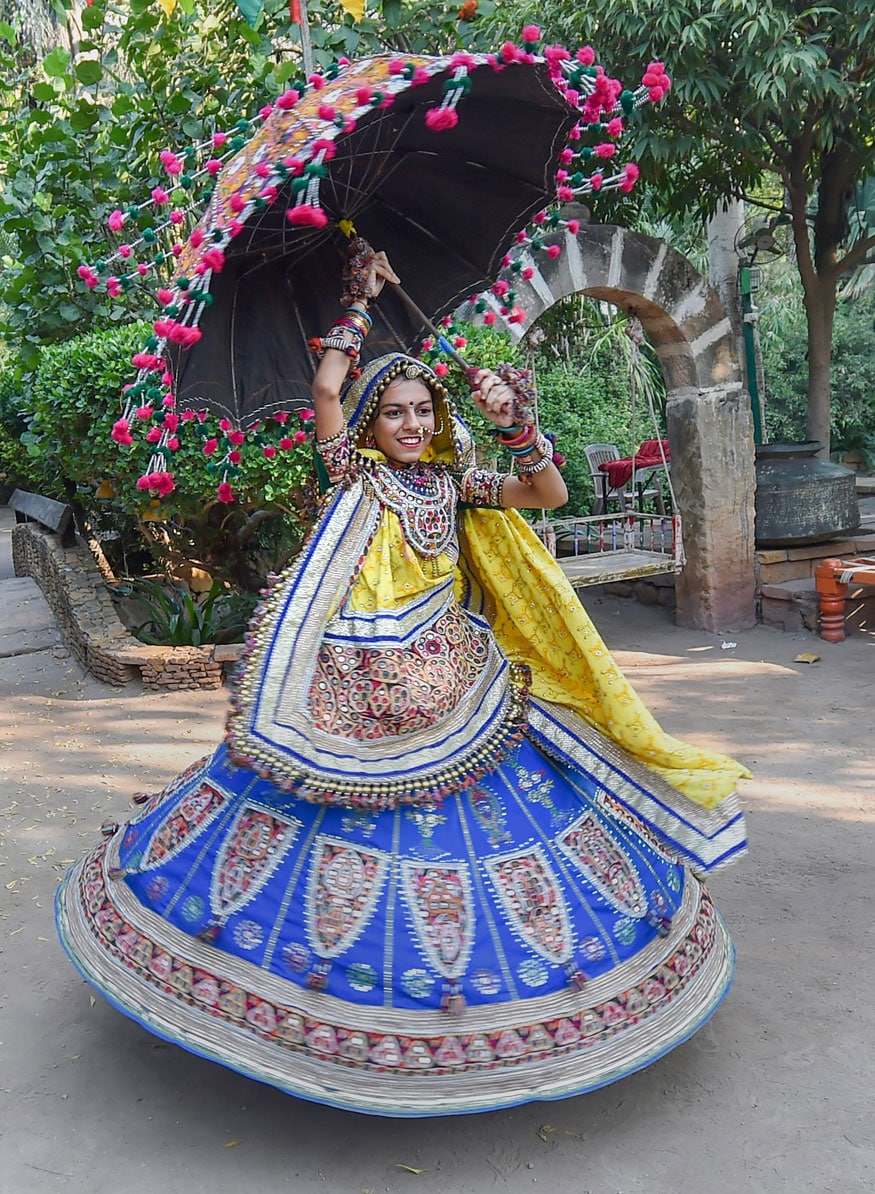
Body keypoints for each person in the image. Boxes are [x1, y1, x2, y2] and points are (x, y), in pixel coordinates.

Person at [56, 245, 750, 1117]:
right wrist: (354, 303)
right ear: (372, 425)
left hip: (456, 682)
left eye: (424, 410)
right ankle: (322, 1007)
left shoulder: (455, 482)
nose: (412, 425)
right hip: (352, 693)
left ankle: (492, 1015)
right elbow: (323, 392)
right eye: (395, 413)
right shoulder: (356, 474)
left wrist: (514, 420)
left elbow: (548, 494)